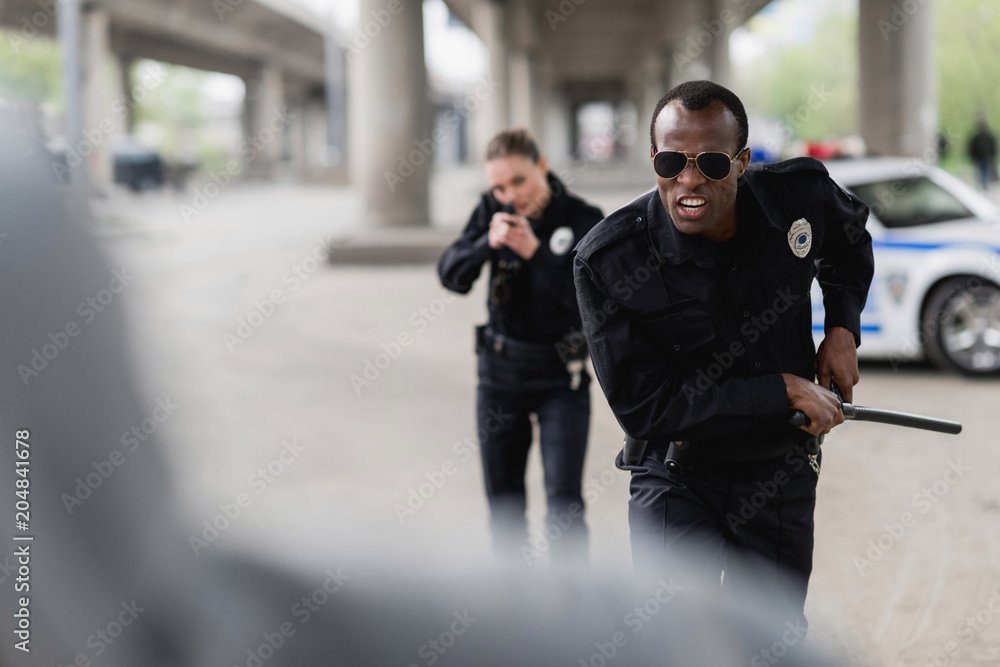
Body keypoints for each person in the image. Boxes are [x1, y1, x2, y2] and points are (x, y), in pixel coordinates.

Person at [572, 81, 874, 642]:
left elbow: (851, 239)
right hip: (677, 476)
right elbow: (646, 408)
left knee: (775, 640)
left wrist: (842, 328)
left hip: (778, 471)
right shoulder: (609, 262)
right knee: (677, 642)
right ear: (653, 159)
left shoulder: (798, 198)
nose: (688, 180)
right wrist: (780, 389)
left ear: (741, 162)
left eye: (710, 162)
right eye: (670, 161)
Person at [438, 128, 604, 566]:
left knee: (564, 506)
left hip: (561, 377)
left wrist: (536, 252)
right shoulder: (492, 211)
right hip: (499, 374)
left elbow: (593, 304)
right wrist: (483, 245)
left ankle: (572, 611)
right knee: (504, 507)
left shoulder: (583, 217)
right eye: (498, 186)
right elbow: (451, 276)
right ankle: (515, 615)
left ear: (542, 168)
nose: (509, 195)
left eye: (518, 181)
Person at [968, 117, 997, 192]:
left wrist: (972, 155)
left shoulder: (976, 136)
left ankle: (982, 186)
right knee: (985, 170)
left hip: (979, 156)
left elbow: (972, 147)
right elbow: (993, 146)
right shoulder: (989, 136)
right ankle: (984, 186)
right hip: (987, 156)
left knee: (980, 171)